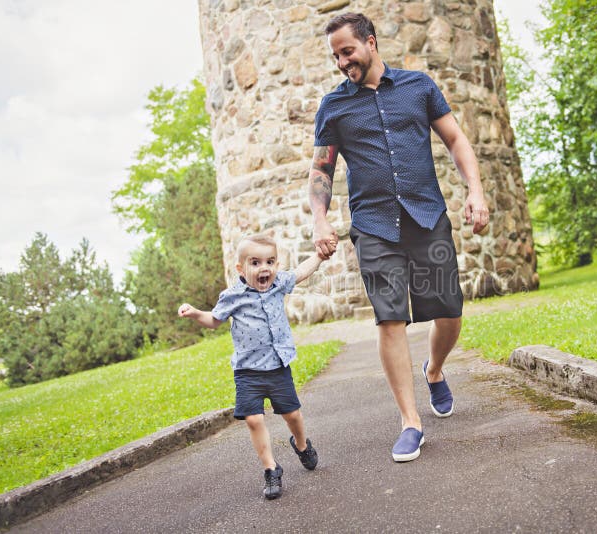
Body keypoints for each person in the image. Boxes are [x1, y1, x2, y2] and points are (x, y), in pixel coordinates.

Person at [308, 12, 489, 462]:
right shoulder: (333, 107)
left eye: (347, 51)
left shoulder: (419, 86)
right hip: (372, 227)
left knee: (448, 312)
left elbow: (455, 139)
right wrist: (320, 219)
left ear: (370, 42)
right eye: (335, 55)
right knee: (390, 318)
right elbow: (321, 169)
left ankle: (435, 369)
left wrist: (475, 191)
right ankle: (410, 421)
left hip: (426, 216)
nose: (341, 62)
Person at [178, 234, 329, 499]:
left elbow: (301, 273)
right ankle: (271, 469)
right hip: (247, 371)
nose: (264, 268)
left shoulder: (279, 283)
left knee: (292, 415)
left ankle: (302, 445)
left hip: (277, 366)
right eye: (256, 263)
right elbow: (214, 320)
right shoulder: (232, 296)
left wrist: (319, 256)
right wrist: (194, 313)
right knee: (253, 418)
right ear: (240, 268)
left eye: (270, 261)